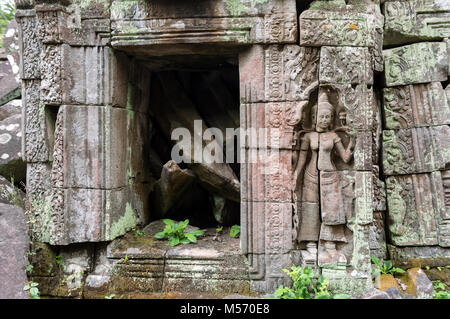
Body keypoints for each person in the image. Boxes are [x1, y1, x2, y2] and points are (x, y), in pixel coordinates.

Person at [292, 92, 354, 265]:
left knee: (332, 208)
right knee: (310, 208)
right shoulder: (308, 137)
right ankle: (311, 241)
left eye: (328, 117)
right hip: (310, 176)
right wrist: (295, 175)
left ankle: (330, 243)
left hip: (331, 176)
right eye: (322, 116)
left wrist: (353, 140)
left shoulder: (334, 136)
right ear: (313, 117)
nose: (325, 120)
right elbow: (302, 160)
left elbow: (346, 158)